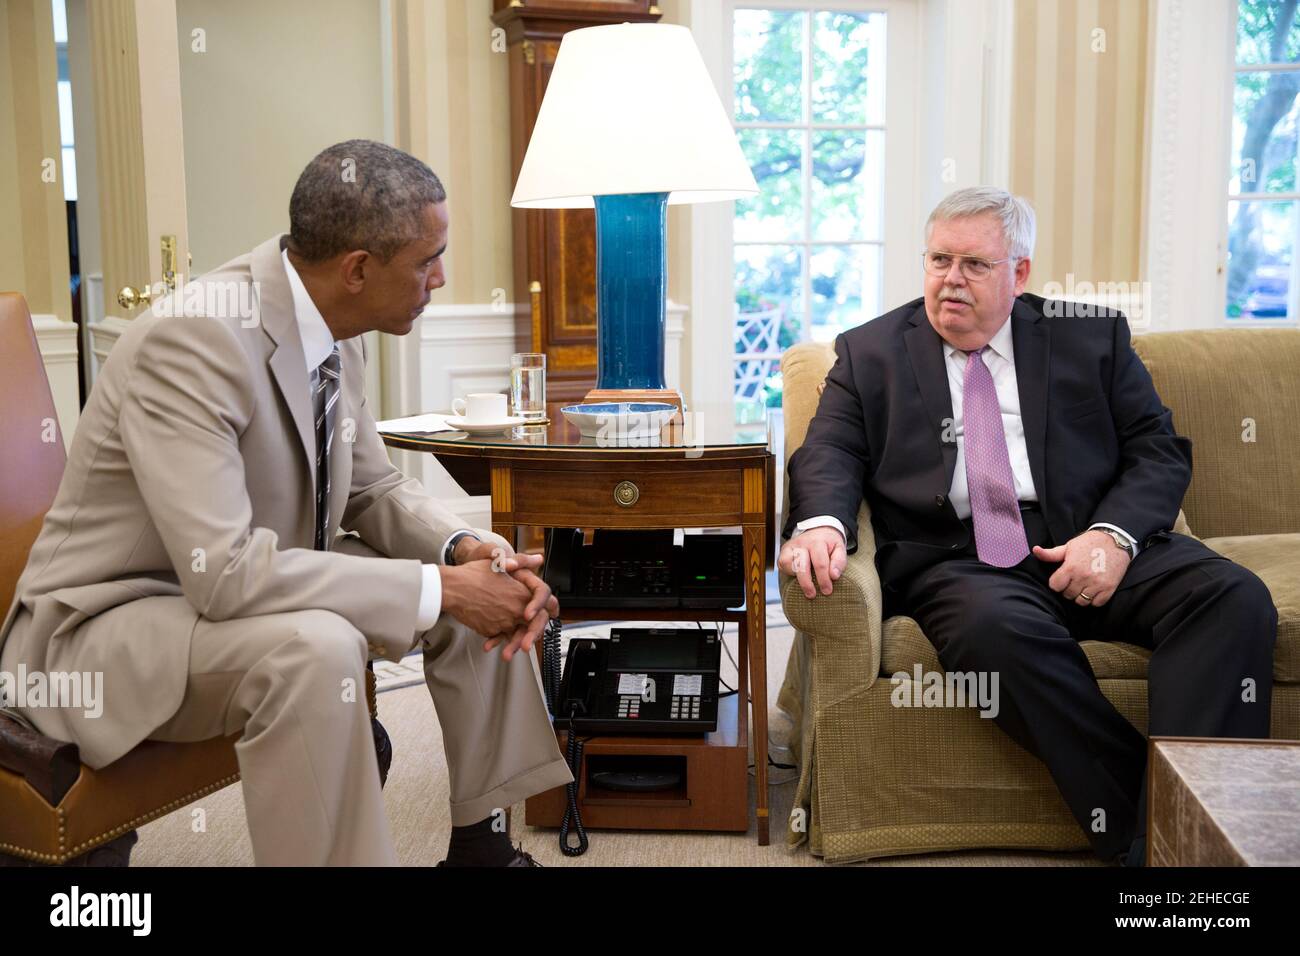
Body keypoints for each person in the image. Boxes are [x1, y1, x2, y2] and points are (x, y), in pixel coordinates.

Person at [0, 140, 572, 866]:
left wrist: (464, 553)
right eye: (428, 260)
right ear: (357, 270)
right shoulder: (190, 343)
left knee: (475, 584)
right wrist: (442, 588)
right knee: (319, 649)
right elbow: (224, 573)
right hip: (111, 627)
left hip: (235, 596)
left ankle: (483, 848)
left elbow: (370, 488)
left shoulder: (337, 326)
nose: (441, 277)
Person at [778, 186, 1276, 866]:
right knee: (993, 632)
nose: (951, 279)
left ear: (1019, 272)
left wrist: (1113, 537)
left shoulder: (1091, 336)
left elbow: (1157, 451)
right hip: (962, 560)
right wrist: (821, 524)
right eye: (939, 260)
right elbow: (830, 451)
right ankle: (1169, 832)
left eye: (974, 265)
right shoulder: (871, 353)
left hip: (1089, 537)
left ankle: (1186, 837)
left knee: (1233, 598)